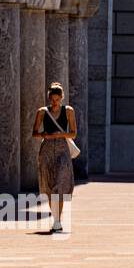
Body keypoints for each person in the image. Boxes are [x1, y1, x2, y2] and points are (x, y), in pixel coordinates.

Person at [31, 82, 77, 234]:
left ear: (62, 98)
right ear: (49, 98)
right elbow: (35, 132)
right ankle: (56, 218)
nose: (55, 102)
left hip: (62, 149)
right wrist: (44, 134)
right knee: (50, 186)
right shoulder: (42, 112)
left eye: (58, 99)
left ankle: (57, 220)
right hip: (47, 150)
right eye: (53, 99)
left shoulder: (68, 111)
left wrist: (61, 134)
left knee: (60, 184)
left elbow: (73, 133)